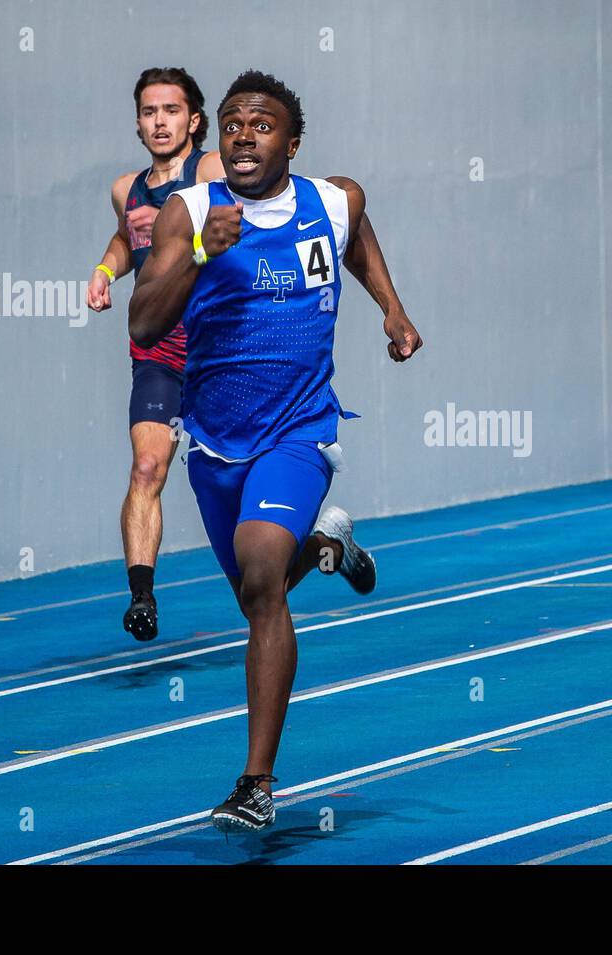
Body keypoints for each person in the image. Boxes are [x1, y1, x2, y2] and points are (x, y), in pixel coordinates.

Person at [129, 70, 422, 832]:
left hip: (300, 428)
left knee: (262, 576)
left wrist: (392, 309)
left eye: (262, 125)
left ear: (293, 141)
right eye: (231, 125)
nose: (244, 136)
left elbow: (358, 243)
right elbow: (142, 325)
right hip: (216, 443)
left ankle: (255, 783)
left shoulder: (334, 199)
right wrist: (197, 249)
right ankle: (327, 536)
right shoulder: (188, 212)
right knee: (261, 596)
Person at [87, 67, 224, 641]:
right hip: (161, 351)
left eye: (171, 111)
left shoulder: (213, 169)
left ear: (193, 120)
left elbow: (232, 228)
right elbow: (127, 236)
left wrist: (177, 226)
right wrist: (104, 270)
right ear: (138, 122)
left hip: (223, 350)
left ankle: (320, 535)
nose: (159, 121)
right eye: (149, 112)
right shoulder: (126, 187)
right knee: (147, 466)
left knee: (232, 485)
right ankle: (142, 597)